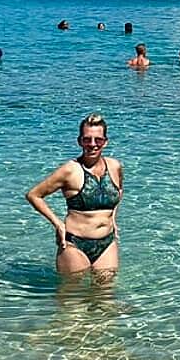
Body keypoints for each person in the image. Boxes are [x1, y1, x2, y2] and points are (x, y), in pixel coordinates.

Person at [25, 113, 123, 275]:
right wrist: (58, 224)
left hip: (107, 243)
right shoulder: (70, 170)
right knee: (71, 296)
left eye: (98, 140)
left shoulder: (115, 166)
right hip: (74, 245)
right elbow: (34, 195)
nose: (92, 144)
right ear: (79, 141)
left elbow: (119, 190)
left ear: (105, 142)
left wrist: (113, 217)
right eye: (87, 139)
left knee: (106, 296)